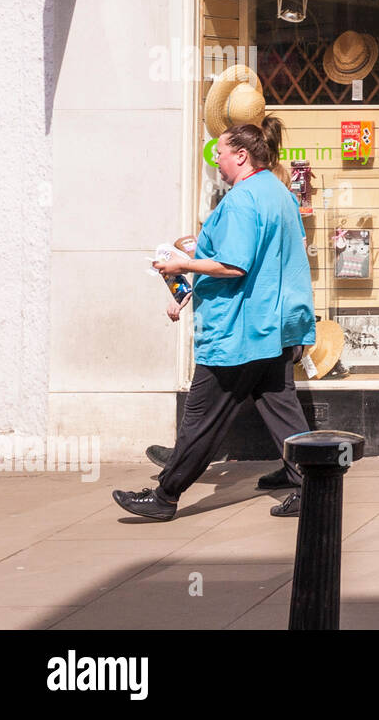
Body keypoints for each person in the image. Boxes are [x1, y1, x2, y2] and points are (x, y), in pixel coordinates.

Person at [113, 117, 316, 520]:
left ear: (241, 155)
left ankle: (165, 496)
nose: (218, 160)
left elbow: (235, 265)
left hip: (239, 332)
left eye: (221, 153)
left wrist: (183, 264)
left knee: (202, 417)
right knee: (281, 409)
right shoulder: (277, 192)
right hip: (274, 327)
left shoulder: (242, 200)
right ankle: (311, 481)